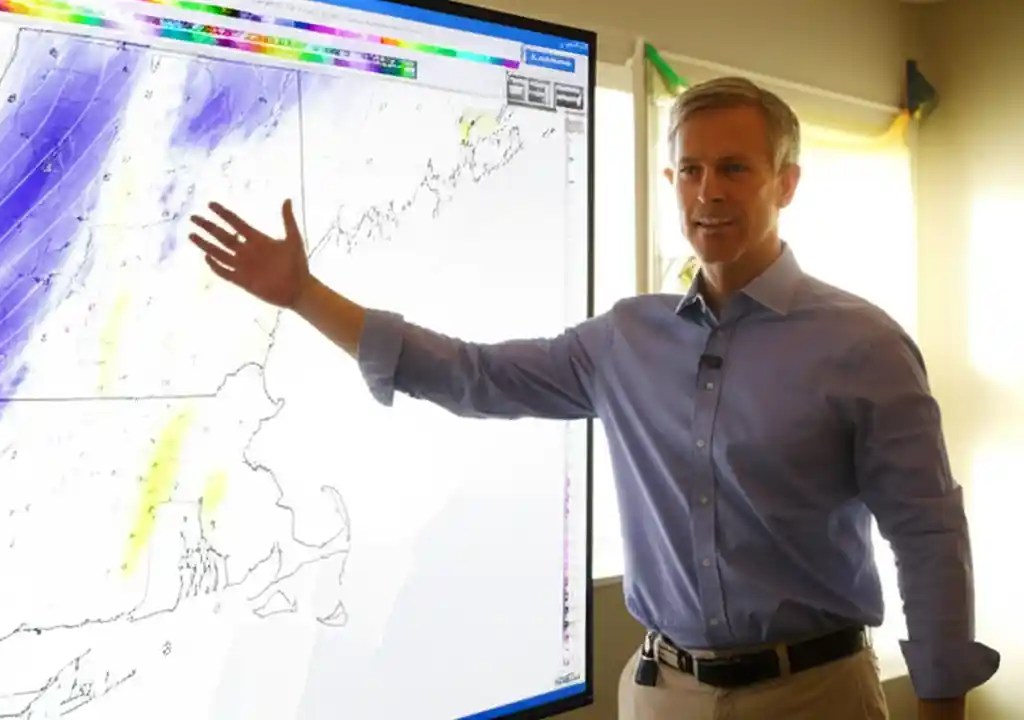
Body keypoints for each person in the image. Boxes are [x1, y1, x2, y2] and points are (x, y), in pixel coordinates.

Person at [186, 76, 999, 719]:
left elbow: (928, 536)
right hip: (662, 695)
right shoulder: (625, 339)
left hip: (813, 697)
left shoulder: (863, 344)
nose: (707, 191)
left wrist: (941, 708)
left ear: (785, 183)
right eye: (690, 169)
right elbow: (473, 375)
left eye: (735, 168)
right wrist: (305, 296)